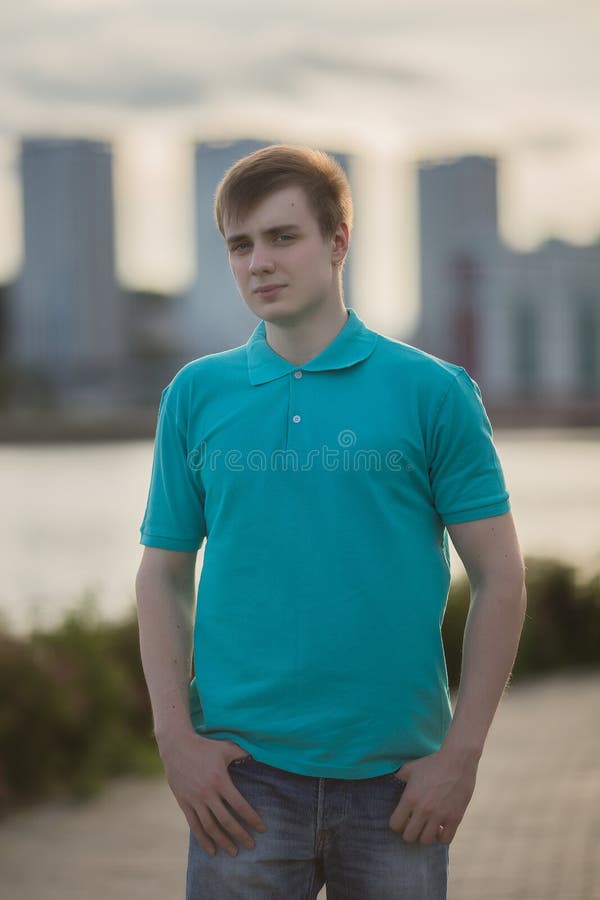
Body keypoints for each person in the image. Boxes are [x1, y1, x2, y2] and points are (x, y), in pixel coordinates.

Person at [135, 144, 527, 899]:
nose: (259, 263)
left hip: (398, 786)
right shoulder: (196, 394)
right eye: (240, 245)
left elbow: (501, 578)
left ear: (338, 242)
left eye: (283, 237)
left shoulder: (433, 391)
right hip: (242, 784)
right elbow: (162, 577)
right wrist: (174, 738)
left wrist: (461, 757)